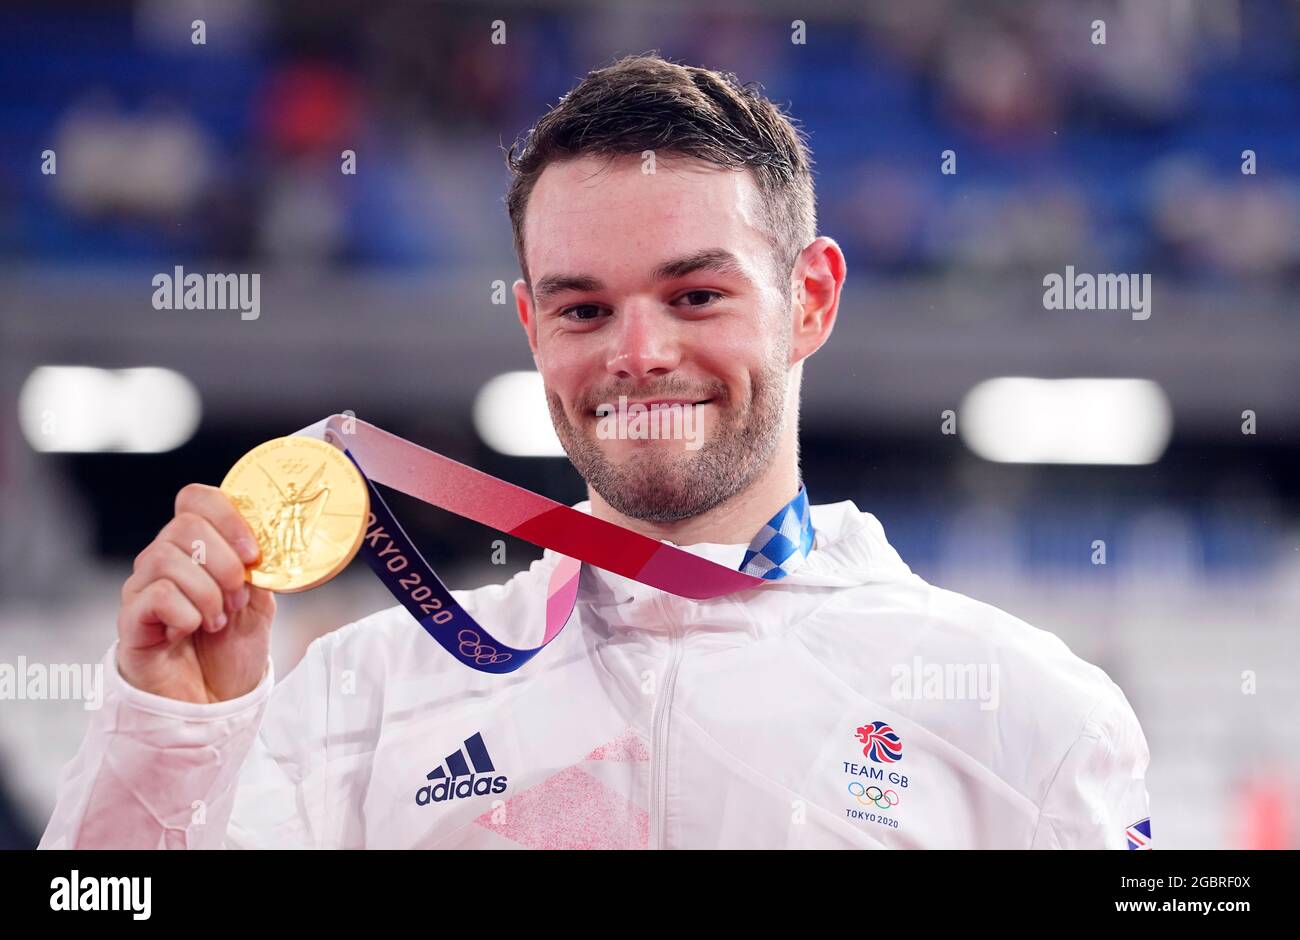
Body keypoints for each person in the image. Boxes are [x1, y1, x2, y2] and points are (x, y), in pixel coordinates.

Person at [40, 54, 1150, 849]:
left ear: (808, 298)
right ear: (530, 327)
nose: (638, 353)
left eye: (696, 293)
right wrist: (172, 733)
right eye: (582, 310)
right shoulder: (363, 698)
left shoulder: (1022, 714)